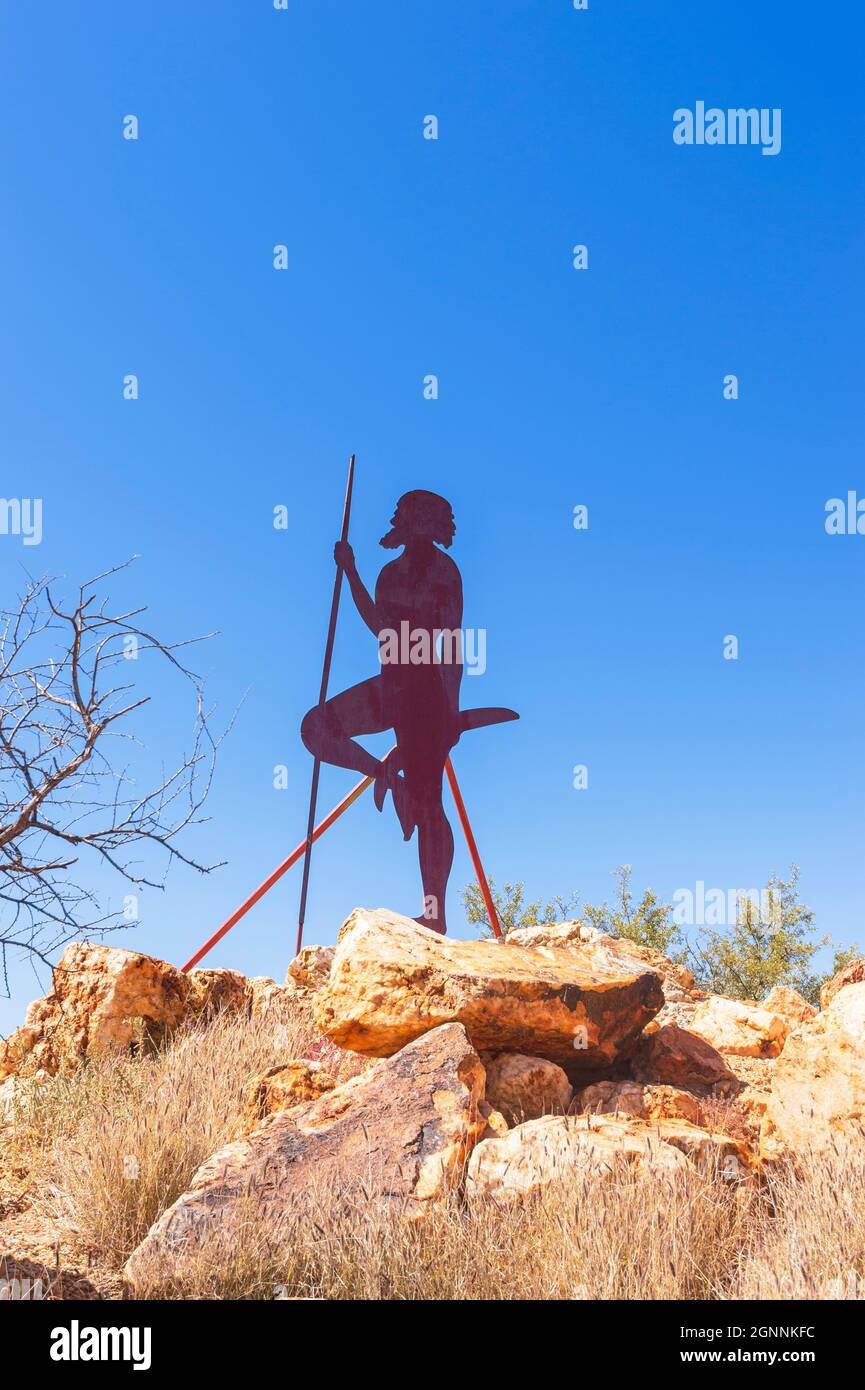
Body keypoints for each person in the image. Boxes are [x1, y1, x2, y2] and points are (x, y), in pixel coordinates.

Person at [301, 490, 463, 933]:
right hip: (392, 685)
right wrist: (351, 572)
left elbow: (452, 644)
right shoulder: (389, 574)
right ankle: (388, 779)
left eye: (430, 520)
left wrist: (451, 709)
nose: (422, 527)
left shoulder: (446, 572)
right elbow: (380, 626)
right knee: (317, 728)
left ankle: (435, 913)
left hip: (429, 695)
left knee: (430, 803)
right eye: (416, 519)